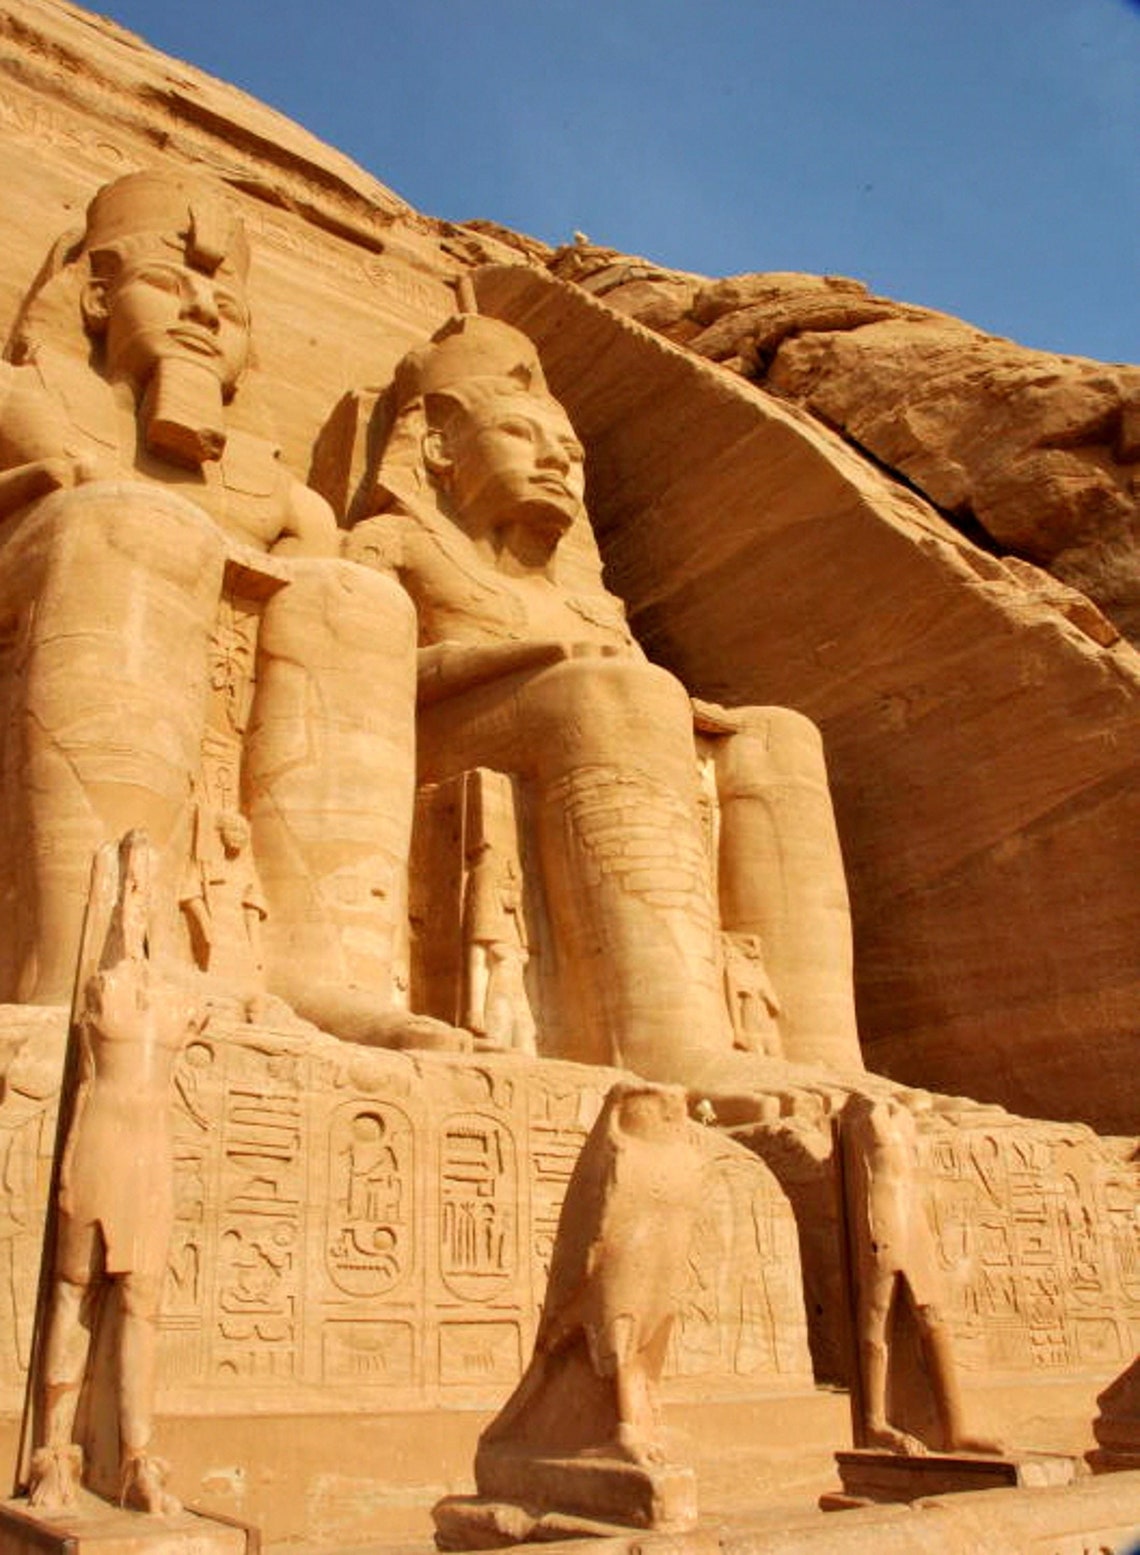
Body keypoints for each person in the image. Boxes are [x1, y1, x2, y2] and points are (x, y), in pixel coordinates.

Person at [346, 313, 859, 1086]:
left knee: (778, 736)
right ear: (440, 445)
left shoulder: (589, 601)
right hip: (435, 734)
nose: (557, 464)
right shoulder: (399, 542)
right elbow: (362, 670)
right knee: (604, 691)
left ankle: (826, 1056)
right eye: (523, 437)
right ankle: (660, 1037)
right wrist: (529, 655)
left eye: (571, 454)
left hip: (573, 721)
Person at [0, 170, 445, 1048]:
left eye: (228, 307)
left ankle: (323, 974)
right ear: (93, 298)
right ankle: (88, 954)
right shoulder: (21, 396)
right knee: (130, 522)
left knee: (356, 603)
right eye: (170, 286)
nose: (204, 313)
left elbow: (315, 580)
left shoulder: (273, 489)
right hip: (45, 587)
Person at [29, 833, 202, 1513]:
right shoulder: (101, 989)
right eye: (131, 888)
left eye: (149, 892)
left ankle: (136, 1453)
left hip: (150, 1151)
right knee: (74, 1291)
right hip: (101, 1141)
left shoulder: (178, 1002)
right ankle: (53, 1449)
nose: (139, 902)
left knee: (141, 1304)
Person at [840, 1093, 1001, 1455]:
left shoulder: (903, 1117)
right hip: (880, 1215)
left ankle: (955, 1428)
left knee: (934, 1314)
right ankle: (876, 1421)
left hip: (911, 1216)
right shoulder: (860, 1114)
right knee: (876, 1313)